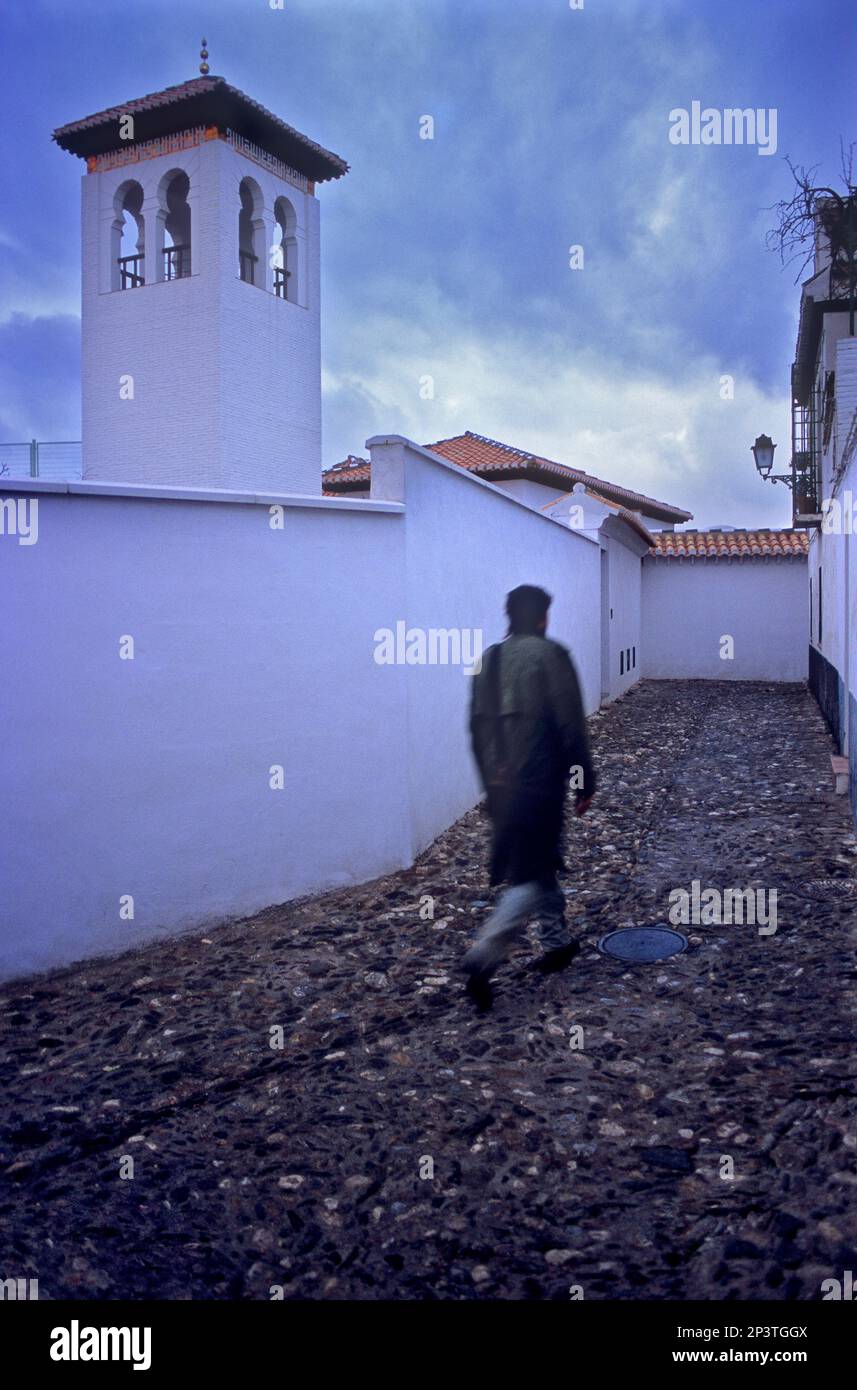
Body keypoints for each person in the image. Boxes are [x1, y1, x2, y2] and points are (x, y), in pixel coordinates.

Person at [462, 584, 596, 1007]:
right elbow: (570, 726)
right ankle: (483, 955)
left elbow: (475, 728)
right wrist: (583, 781)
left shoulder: (489, 660)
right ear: (541, 618)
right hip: (539, 785)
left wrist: (490, 783)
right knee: (529, 874)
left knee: (541, 859)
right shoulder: (551, 656)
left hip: (502, 788)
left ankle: (557, 944)